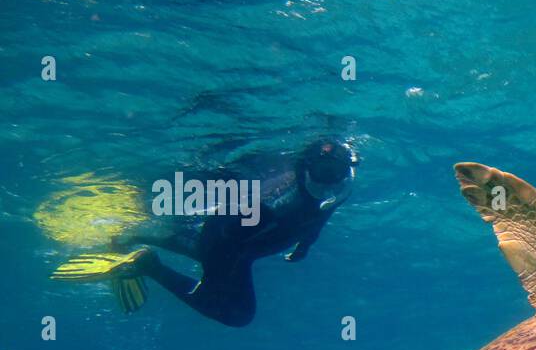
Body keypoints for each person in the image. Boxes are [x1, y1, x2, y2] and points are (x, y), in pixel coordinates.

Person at [50, 138, 356, 326]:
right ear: (305, 167)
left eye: (338, 172)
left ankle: (136, 235)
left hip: (240, 246)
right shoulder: (276, 204)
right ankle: (148, 265)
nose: (330, 180)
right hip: (231, 247)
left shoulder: (334, 193)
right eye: (324, 171)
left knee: (205, 249)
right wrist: (213, 281)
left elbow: (318, 219)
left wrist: (304, 247)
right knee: (238, 315)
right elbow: (222, 236)